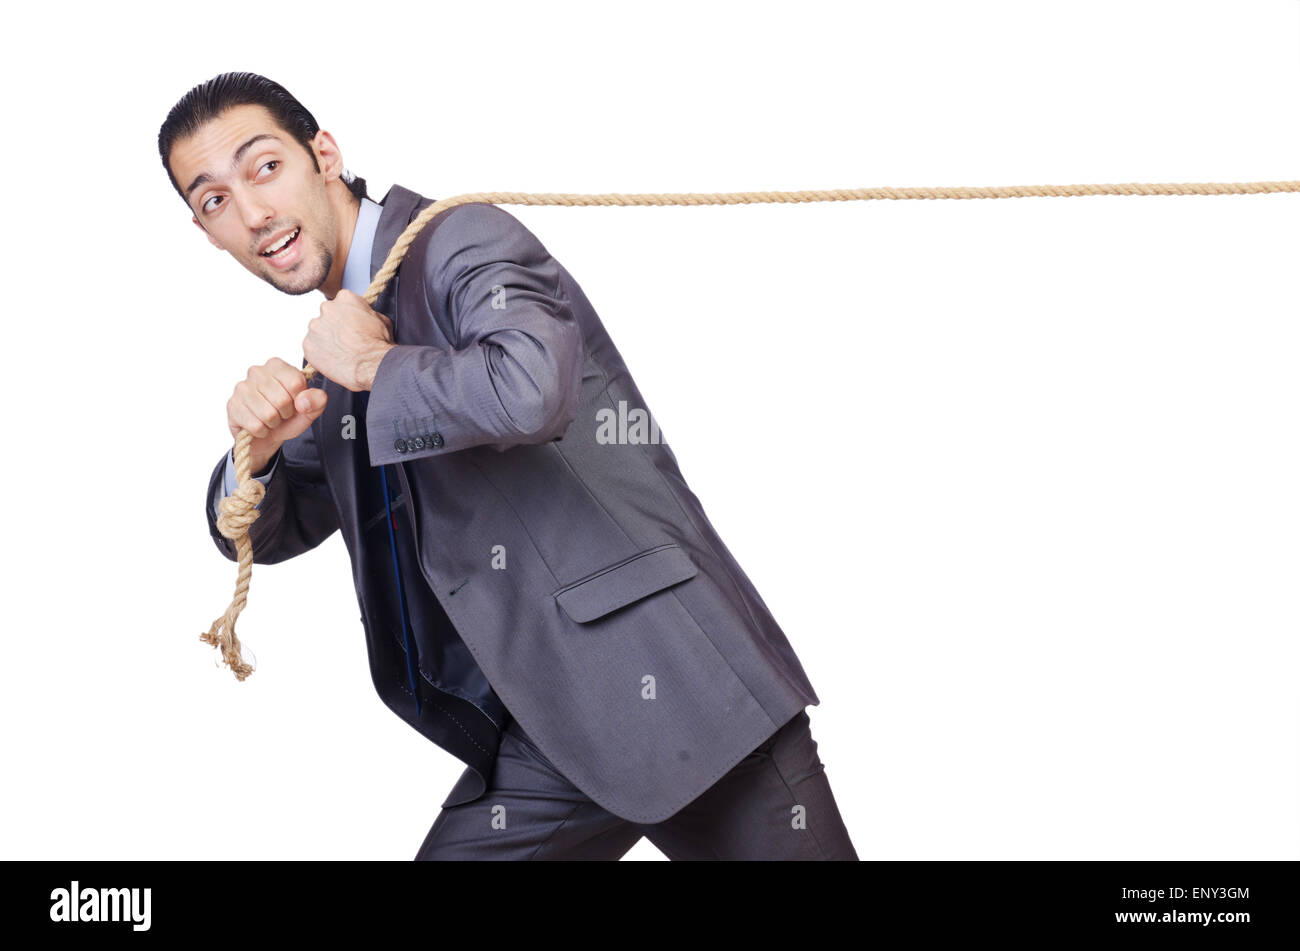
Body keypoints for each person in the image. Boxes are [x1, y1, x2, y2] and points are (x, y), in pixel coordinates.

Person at [160, 71, 859, 860]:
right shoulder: (337, 348)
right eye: (214, 198)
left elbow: (533, 390)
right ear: (202, 229)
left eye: (264, 167)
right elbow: (277, 527)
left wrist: (373, 369)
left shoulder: (459, 241)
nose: (253, 212)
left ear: (323, 154)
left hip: (676, 684)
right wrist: (250, 457)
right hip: (547, 726)